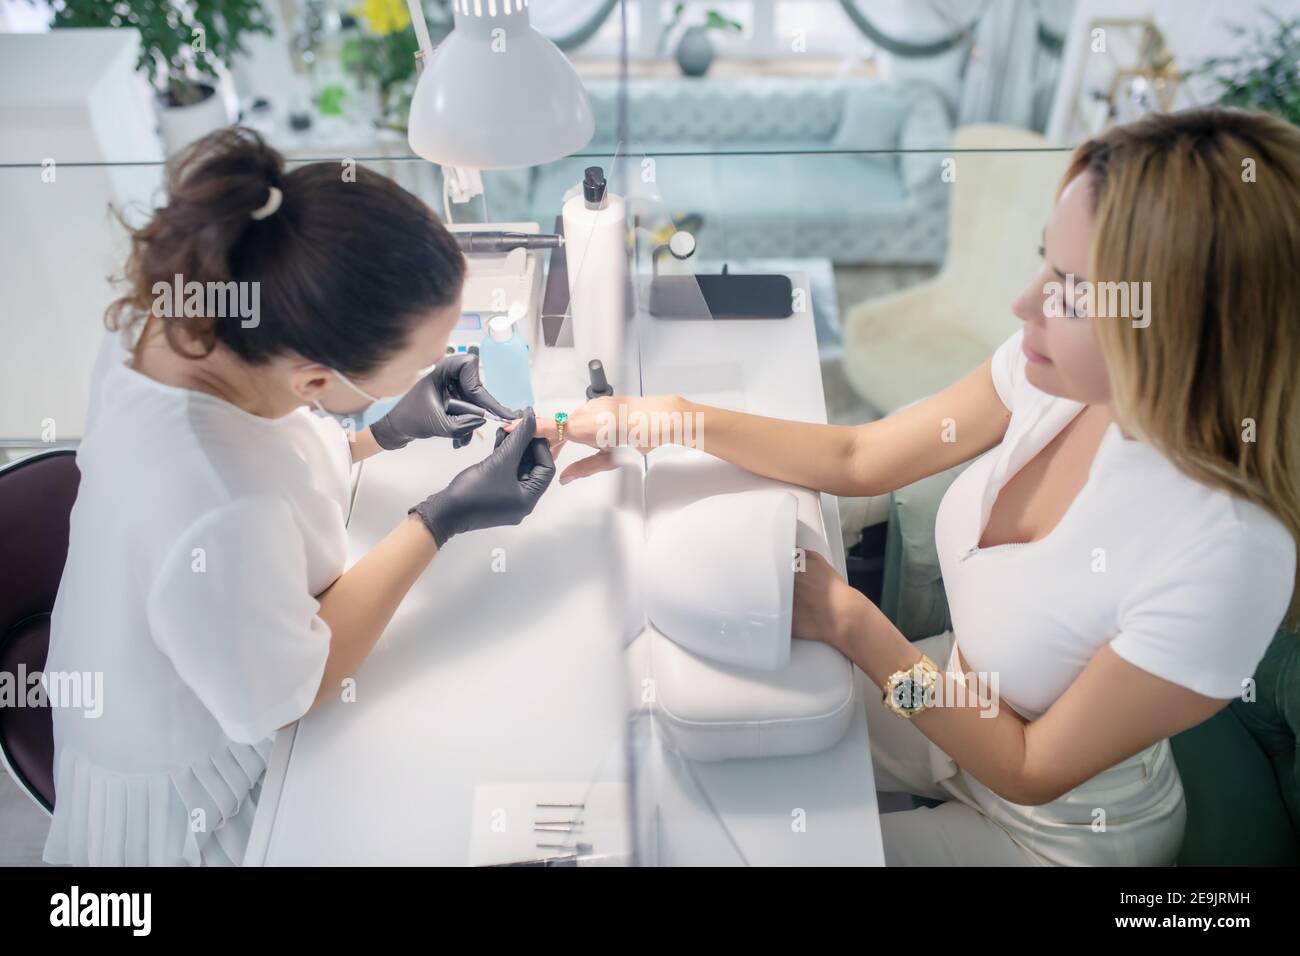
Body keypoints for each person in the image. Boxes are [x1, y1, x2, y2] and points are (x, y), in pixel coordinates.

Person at [534, 107, 1300, 865]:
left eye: (1070, 290)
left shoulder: (1228, 556)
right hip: (946, 691)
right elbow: (860, 458)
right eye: (1044, 263)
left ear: (1179, 329)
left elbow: (1027, 768)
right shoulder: (1061, 372)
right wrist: (666, 420)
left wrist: (850, 622)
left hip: (1051, 834)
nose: (1023, 304)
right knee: (667, 757)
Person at [42, 128, 554, 866]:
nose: (439, 363)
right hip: (192, 803)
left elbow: (262, 450)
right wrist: (443, 516)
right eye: (420, 359)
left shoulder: (173, 326)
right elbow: (296, 683)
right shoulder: (216, 505)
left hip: (148, 672)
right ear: (315, 382)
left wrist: (382, 429)